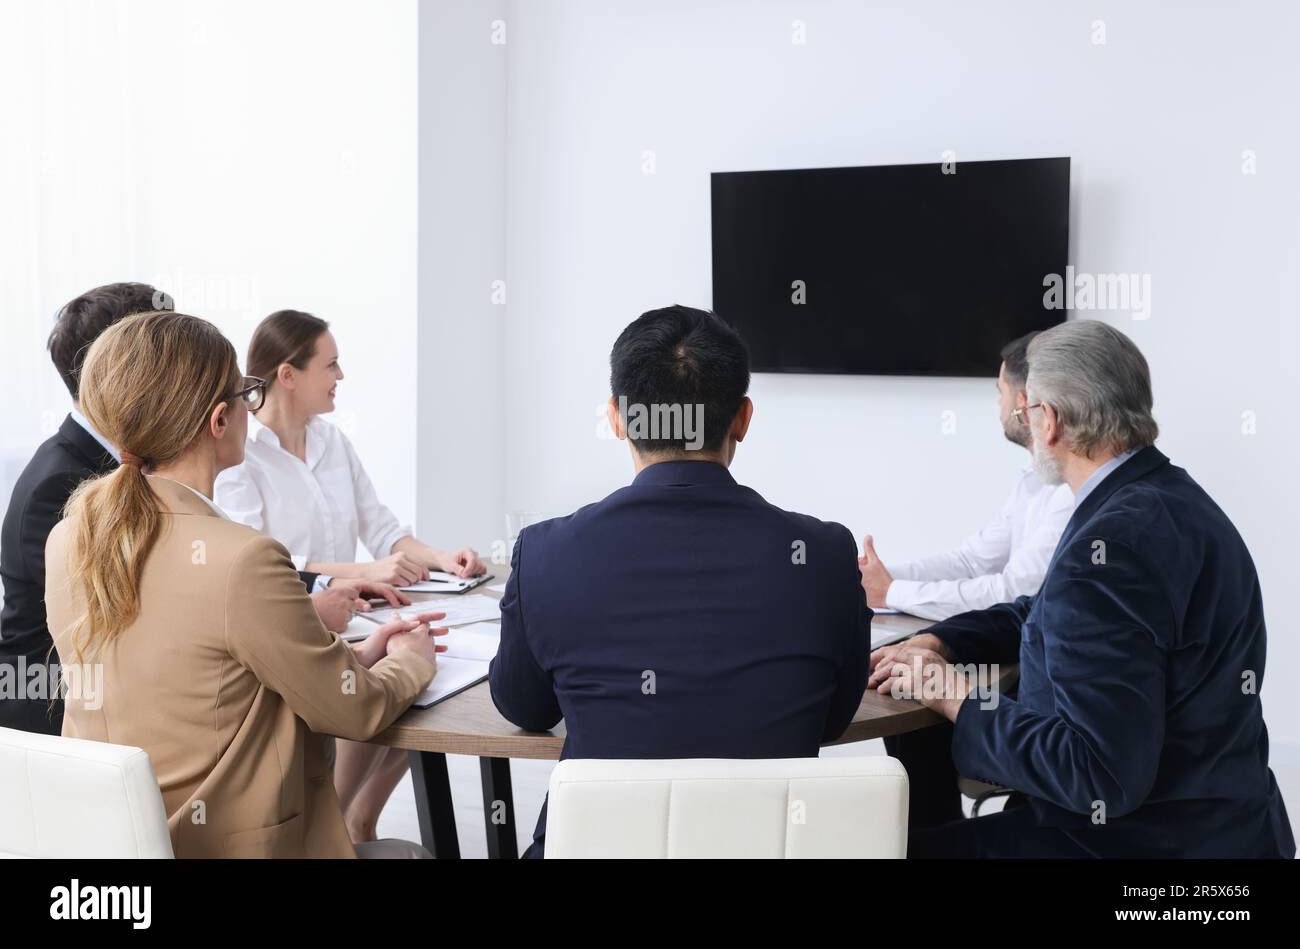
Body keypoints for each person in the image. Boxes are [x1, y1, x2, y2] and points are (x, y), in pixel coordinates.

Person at [869, 320, 1294, 858]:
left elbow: (1097, 776)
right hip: (1230, 828)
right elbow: (1046, 612)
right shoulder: (1171, 499)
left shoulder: (1109, 546)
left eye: (1025, 411)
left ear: (1049, 421)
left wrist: (954, 694)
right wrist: (946, 642)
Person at [45, 311, 446, 858]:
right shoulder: (244, 559)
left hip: (109, 858)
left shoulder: (71, 540)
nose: (249, 409)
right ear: (219, 420)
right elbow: (352, 712)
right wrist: (412, 658)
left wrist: (348, 653)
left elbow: (201, 680)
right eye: (245, 394)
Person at [489, 305, 872, 858]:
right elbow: (832, 721)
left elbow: (525, 707)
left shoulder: (545, 552)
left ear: (617, 418)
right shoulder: (825, 554)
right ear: (742, 418)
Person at [0, 285, 404, 738]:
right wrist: (395, 656)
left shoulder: (105, 503)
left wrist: (306, 624)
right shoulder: (63, 489)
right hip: (54, 722)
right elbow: (169, 623)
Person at [214, 308, 486, 843]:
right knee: (391, 684)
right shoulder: (240, 456)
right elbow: (265, 561)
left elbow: (383, 529)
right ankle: (331, 827)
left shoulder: (333, 441)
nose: (341, 377)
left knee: (428, 673)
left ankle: (358, 819)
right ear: (288, 375)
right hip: (300, 622)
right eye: (331, 365)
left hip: (358, 612)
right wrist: (365, 569)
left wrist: (443, 557)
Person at [858, 331, 1073, 620]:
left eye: (1001, 393)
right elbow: (972, 562)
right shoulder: (1035, 478)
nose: (999, 405)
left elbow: (1014, 593)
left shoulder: (1070, 489)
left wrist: (890, 592)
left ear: (1023, 405)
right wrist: (874, 578)